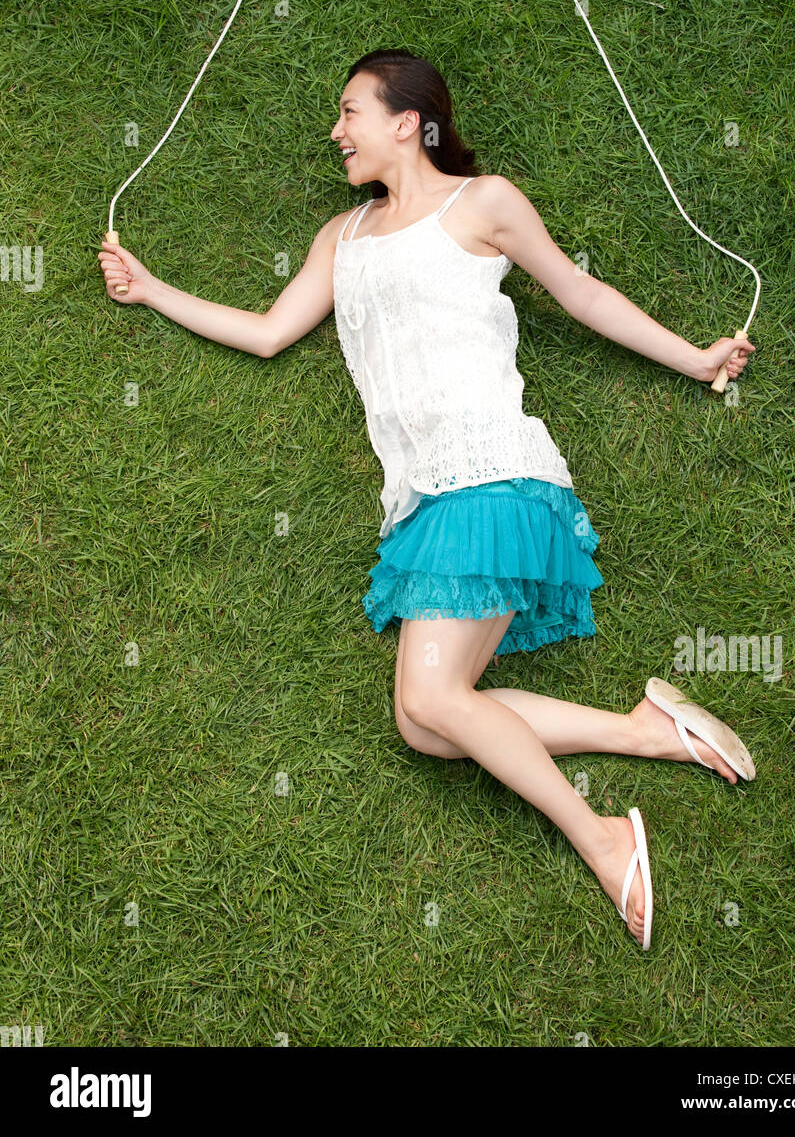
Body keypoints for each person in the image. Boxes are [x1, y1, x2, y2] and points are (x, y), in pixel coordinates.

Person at [98, 46, 756, 950]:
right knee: (426, 722)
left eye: (349, 113)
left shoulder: (479, 202)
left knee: (435, 699)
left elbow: (579, 292)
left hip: (493, 473)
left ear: (408, 121)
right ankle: (646, 730)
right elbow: (266, 333)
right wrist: (149, 289)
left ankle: (605, 837)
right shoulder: (343, 238)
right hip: (425, 503)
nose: (336, 133)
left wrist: (696, 357)